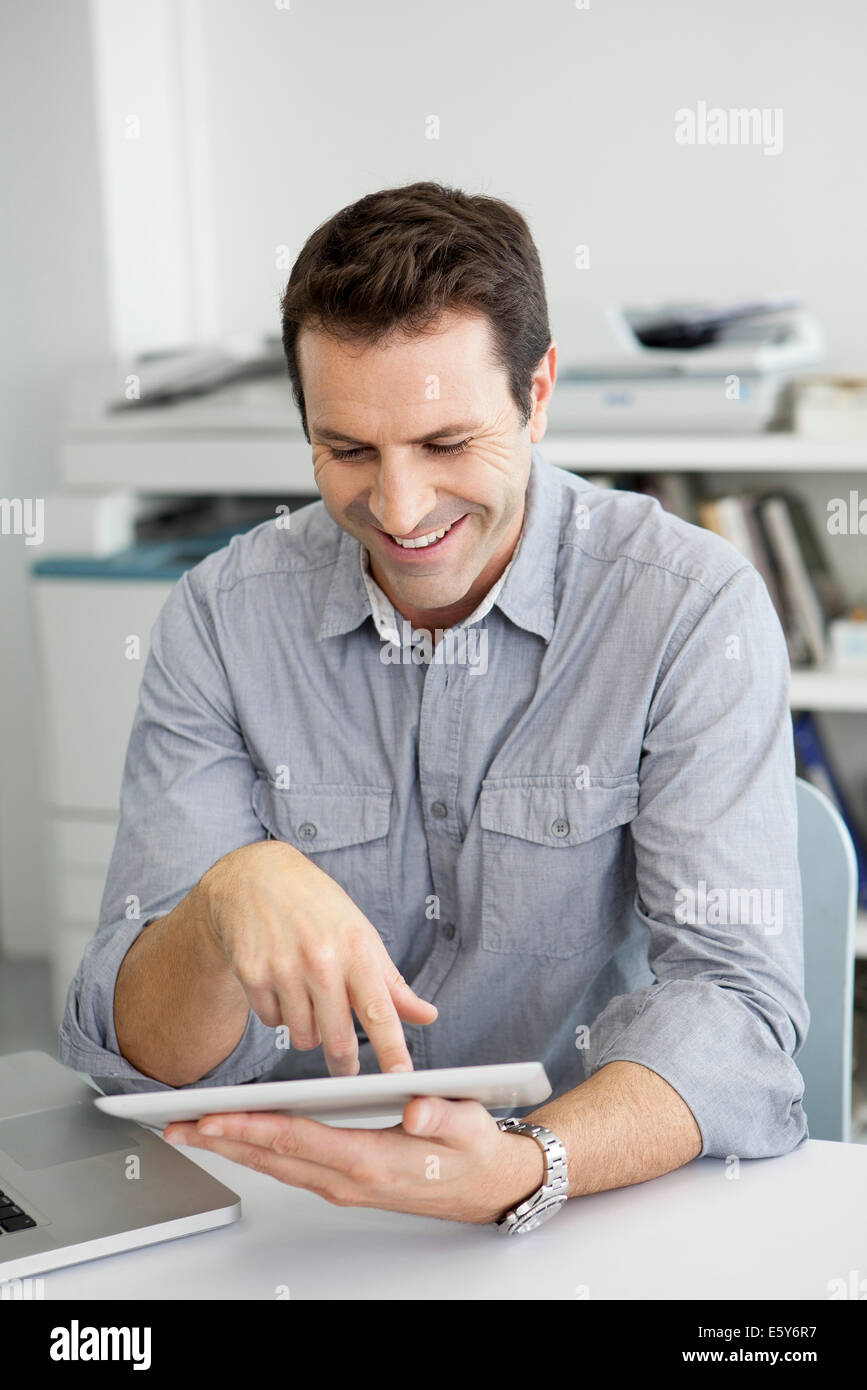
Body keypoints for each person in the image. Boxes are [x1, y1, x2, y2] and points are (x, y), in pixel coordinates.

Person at [60, 182, 808, 1231]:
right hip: (283, 1210)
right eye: (348, 450)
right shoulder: (220, 617)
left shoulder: (689, 608)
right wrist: (224, 901)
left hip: (580, 1185)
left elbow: (738, 1013)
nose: (399, 511)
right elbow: (136, 1061)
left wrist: (524, 1164)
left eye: (447, 444)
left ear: (538, 394)